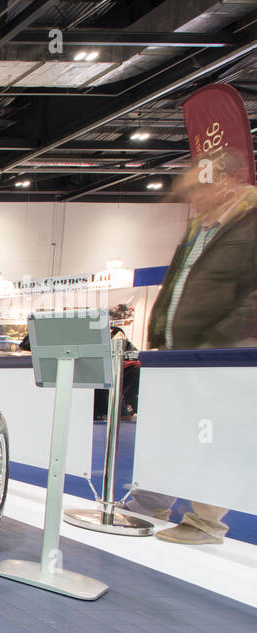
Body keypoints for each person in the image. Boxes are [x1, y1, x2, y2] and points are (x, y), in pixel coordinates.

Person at [128, 148, 257, 545]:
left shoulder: (250, 224)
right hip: (178, 354)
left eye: (198, 189)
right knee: (172, 431)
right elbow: (177, 286)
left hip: (222, 356)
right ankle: (151, 507)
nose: (191, 199)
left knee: (215, 437)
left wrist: (217, 345)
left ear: (225, 183)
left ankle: (205, 523)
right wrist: (159, 335)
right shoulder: (200, 228)